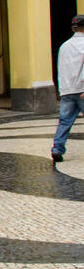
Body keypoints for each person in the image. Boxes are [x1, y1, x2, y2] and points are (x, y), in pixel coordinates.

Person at [50, 14, 84, 165]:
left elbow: (61, 68)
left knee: (64, 121)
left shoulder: (64, 46)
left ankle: (57, 149)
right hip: (82, 89)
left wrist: (62, 89)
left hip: (67, 90)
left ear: (73, 28)